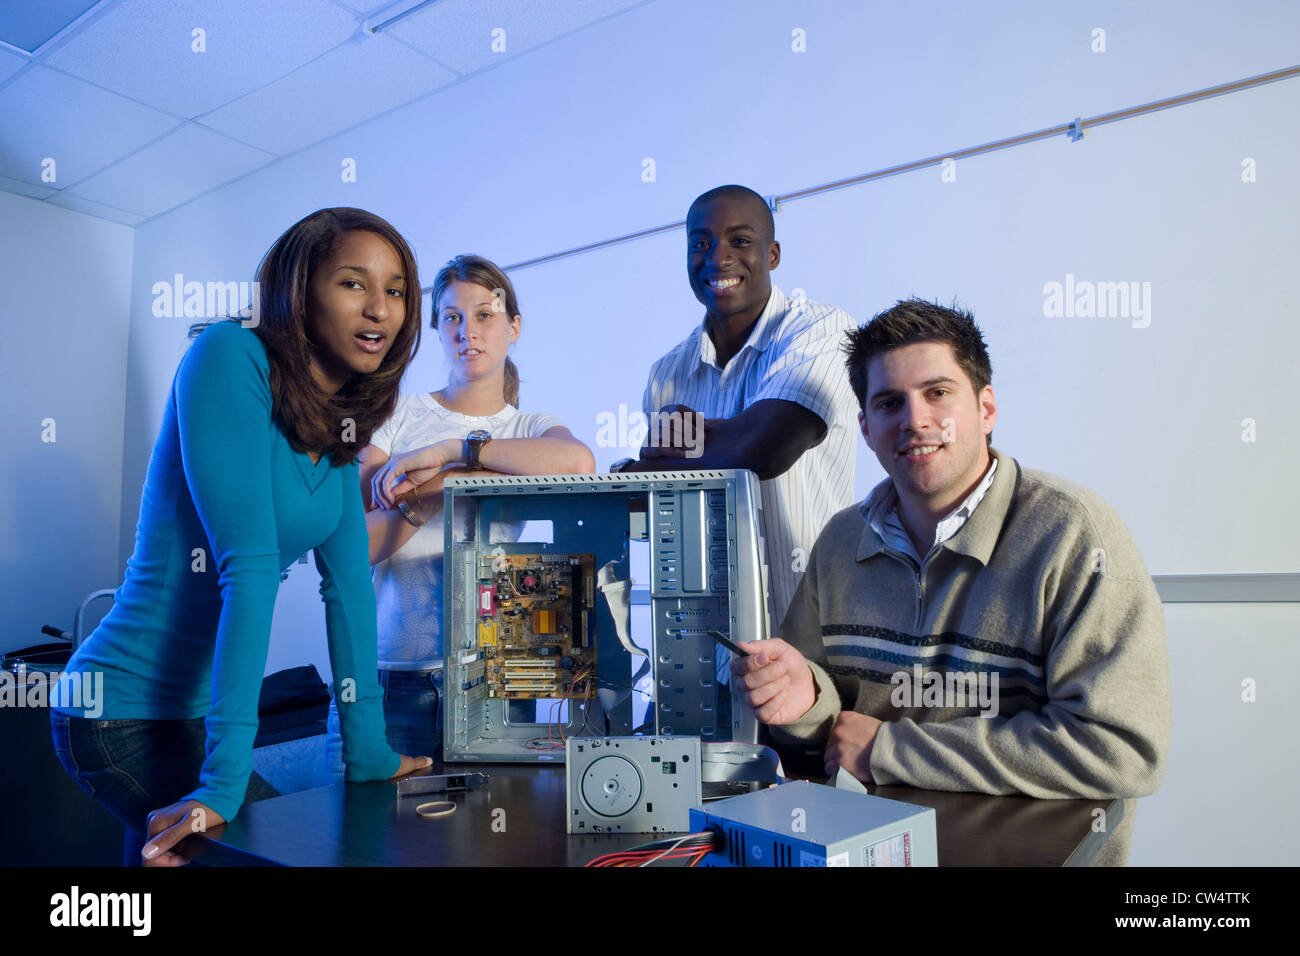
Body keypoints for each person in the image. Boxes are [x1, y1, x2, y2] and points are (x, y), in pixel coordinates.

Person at [50, 208, 432, 866]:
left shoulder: (339, 421)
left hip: (190, 715)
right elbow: (249, 570)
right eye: (352, 284)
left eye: (395, 290)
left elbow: (347, 589)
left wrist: (367, 750)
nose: (379, 309)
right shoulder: (228, 356)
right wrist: (222, 787)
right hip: (117, 712)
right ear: (299, 289)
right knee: (264, 851)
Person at [731, 298, 1171, 865]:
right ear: (866, 428)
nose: (915, 420)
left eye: (938, 393)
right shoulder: (840, 541)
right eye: (890, 402)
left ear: (986, 408)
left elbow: (1121, 749)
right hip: (867, 850)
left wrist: (890, 750)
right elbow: (830, 727)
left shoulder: (1074, 534)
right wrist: (805, 700)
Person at [324, 254, 594, 768]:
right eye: (452, 317)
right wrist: (423, 503)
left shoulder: (532, 427)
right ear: (437, 329)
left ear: (514, 327)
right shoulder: (394, 415)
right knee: (386, 837)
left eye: (485, 314)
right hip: (399, 671)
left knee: (501, 832)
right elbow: (350, 549)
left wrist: (451, 457)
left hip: (502, 666)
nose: (468, 331)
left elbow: (578, 462)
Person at [615, 184, 858, 623]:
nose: (719, 257)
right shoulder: (666, 375)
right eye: (701, 244)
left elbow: (767, 449)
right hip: (703, 643)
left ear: (773, 255)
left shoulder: (821, 329)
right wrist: (643, 479)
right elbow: (661, 508)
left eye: (740, 241)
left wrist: (650, 470)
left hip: (810, 637)